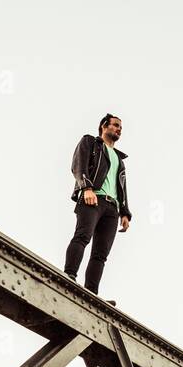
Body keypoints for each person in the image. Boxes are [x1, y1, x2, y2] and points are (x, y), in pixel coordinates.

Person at [64, 113, 132, 298]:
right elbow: (78, 165)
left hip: (113, 209)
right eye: (115, 125)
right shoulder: (91, 143)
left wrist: (125, 213)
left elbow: (122, 187)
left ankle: (91, 292)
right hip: (92, 198)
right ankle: (69, 275)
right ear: (104, 126)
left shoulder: (120, 160)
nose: (119, 129)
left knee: (101, 254)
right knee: (82, 237)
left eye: (121, 127)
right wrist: (86, 188)